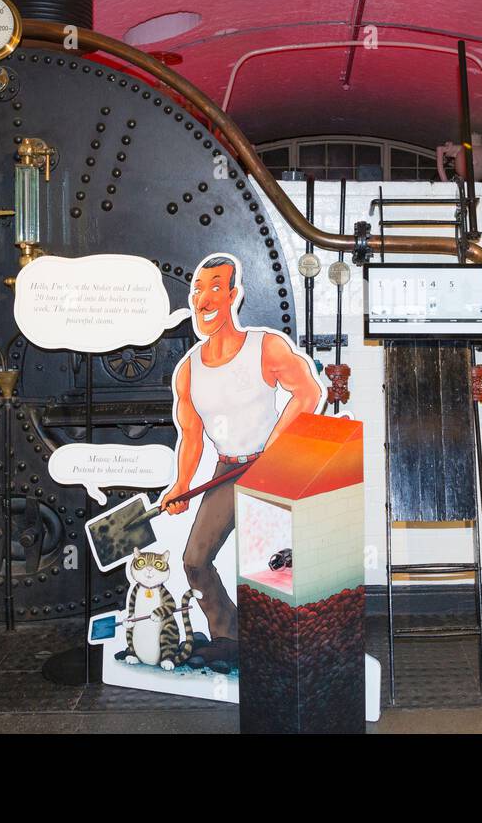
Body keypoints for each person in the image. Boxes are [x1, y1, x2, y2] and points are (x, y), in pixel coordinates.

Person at [158, 253, 322, 665]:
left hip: (269, 468)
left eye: (216, 287)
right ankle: (229, 636)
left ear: (233, 295)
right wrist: (181, 486)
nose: (204, 298)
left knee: (272, 565)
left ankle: (285, 644)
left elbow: (308, 393)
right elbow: (192, 436)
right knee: (195, 560)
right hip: (227, 469)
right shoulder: (188, 370)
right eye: (198, 290)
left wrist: (275, 448)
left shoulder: (265, 347)